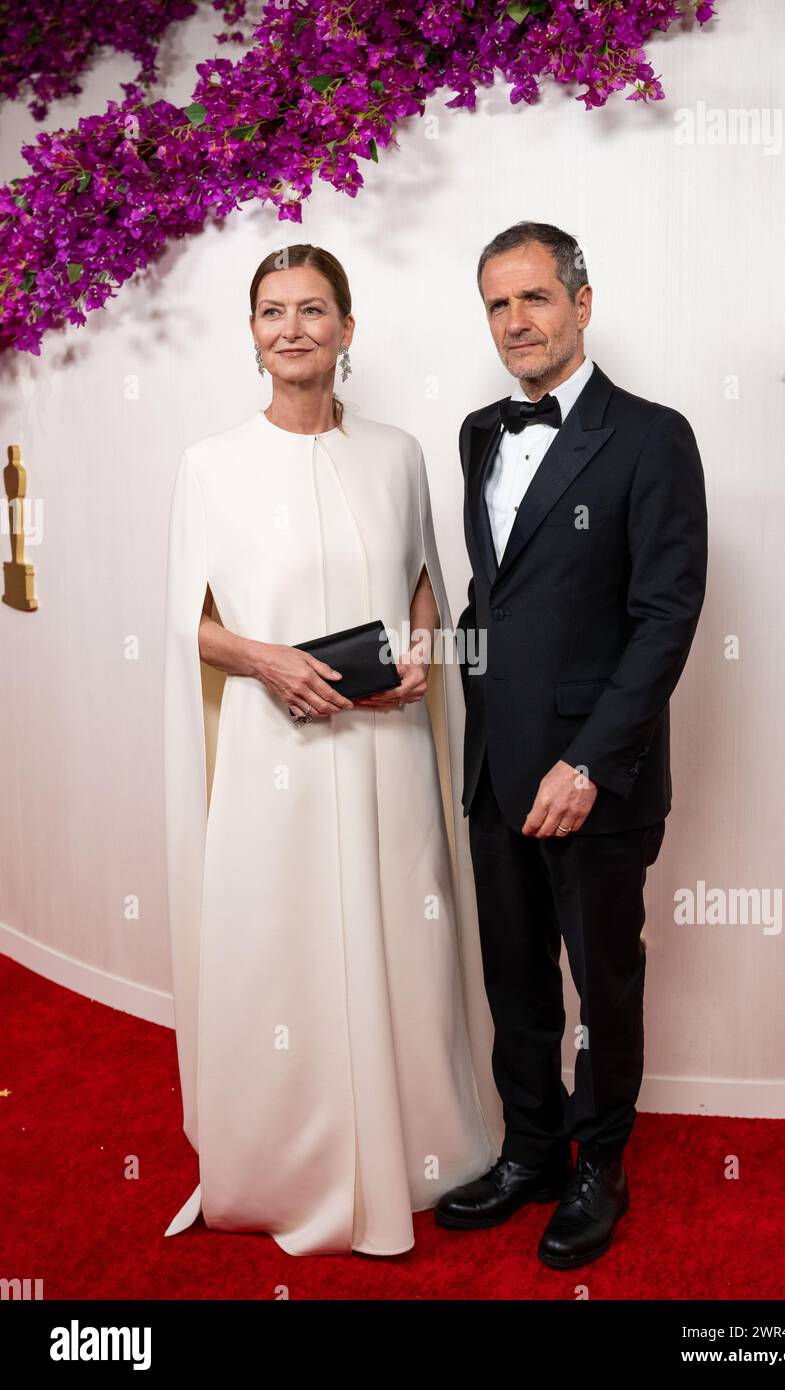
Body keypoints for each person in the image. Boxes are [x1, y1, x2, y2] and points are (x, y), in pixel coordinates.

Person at [162, 243, 502, 1256]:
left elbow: (421, 581)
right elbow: (187, 622)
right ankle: (289, 1159)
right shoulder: (209, 465)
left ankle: (423, 1145)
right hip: (280, 759)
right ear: (253, 333)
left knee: (405, 934)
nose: (293, 327)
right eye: (272, 311)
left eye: (314, 309)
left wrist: (425, 652)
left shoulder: (397, 452)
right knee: (283, 944)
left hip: (387, 749)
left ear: (347, 331)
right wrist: (266, 660)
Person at [434, 221, 708, 1268]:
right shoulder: (474, 433)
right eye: (498, 304)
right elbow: (493, 594)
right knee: (512, 979)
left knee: (604, 985)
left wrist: (586, 761)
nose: (516, 322)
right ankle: (531, 1149)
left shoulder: (652, 435)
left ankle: (599, 1162)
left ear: (581, 303)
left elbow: (665, 616)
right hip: (496, 769)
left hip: (596, 777)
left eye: (534, 298)